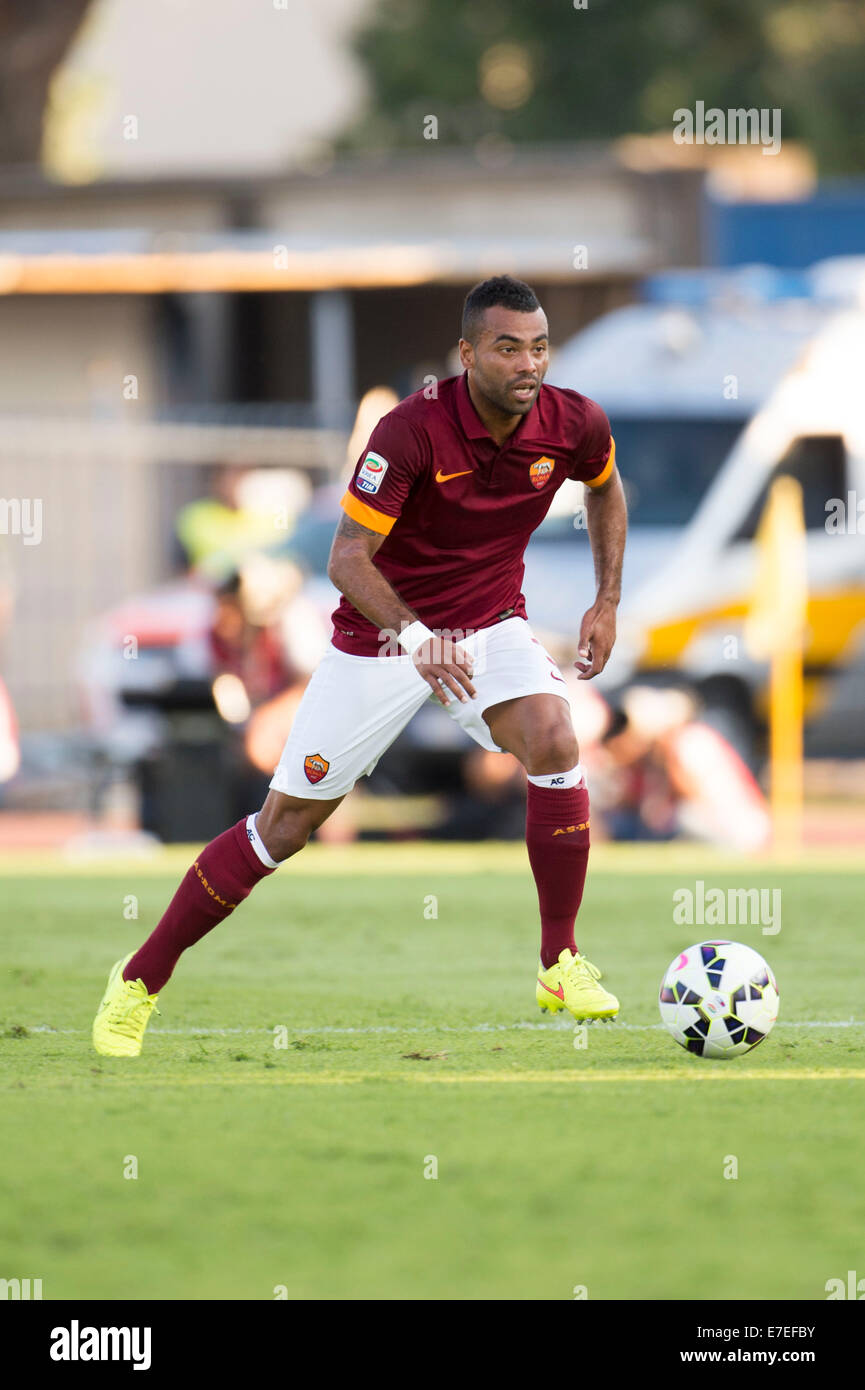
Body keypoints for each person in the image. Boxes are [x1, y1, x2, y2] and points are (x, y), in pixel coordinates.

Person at [92, 275, 627, 1056]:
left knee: (555, 738)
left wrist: (605, 599)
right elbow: (347, 559)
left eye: (538, 347)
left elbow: (605, 489)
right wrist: (415, 638)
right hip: (381, 641)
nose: (528, 364)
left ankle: (559, 961)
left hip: (489, 628)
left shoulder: (571, 420)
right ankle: (138, 980)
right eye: (507, 348)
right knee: (284, 829)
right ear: (467, 353)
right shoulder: (409, 432)